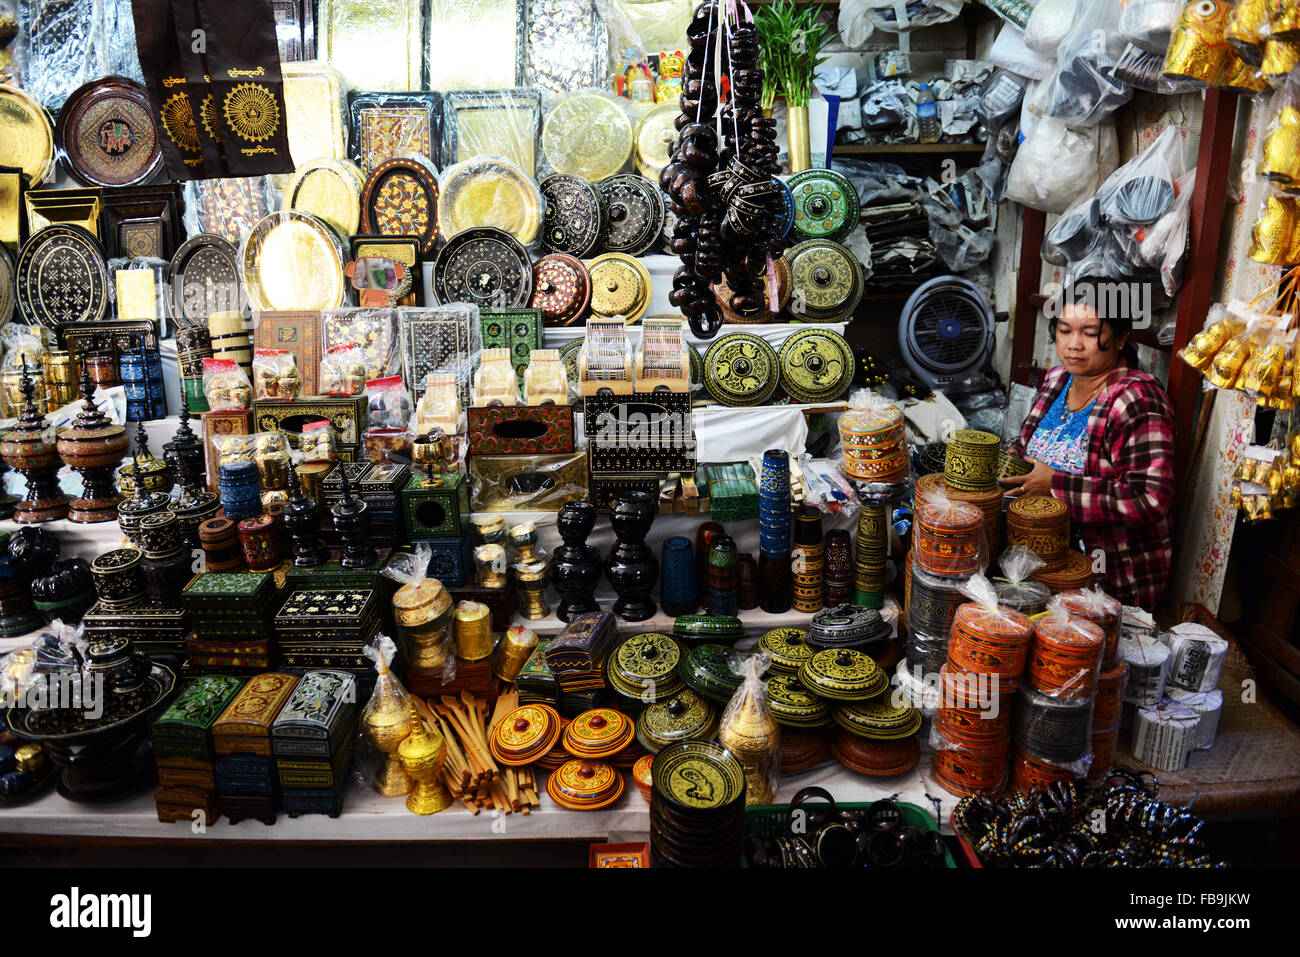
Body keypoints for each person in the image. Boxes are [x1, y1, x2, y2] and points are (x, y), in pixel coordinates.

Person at [1001, 278, 1176, 610]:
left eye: (1090, 333)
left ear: (1122, 337)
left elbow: (1150, 499)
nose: (1073, 345)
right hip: (1036, 554)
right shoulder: (1057, 380)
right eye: (1065, 331)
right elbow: (1028, 447)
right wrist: (1012, 461)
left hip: (1103, 572)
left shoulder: (1137, 400)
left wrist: (1056, 485)